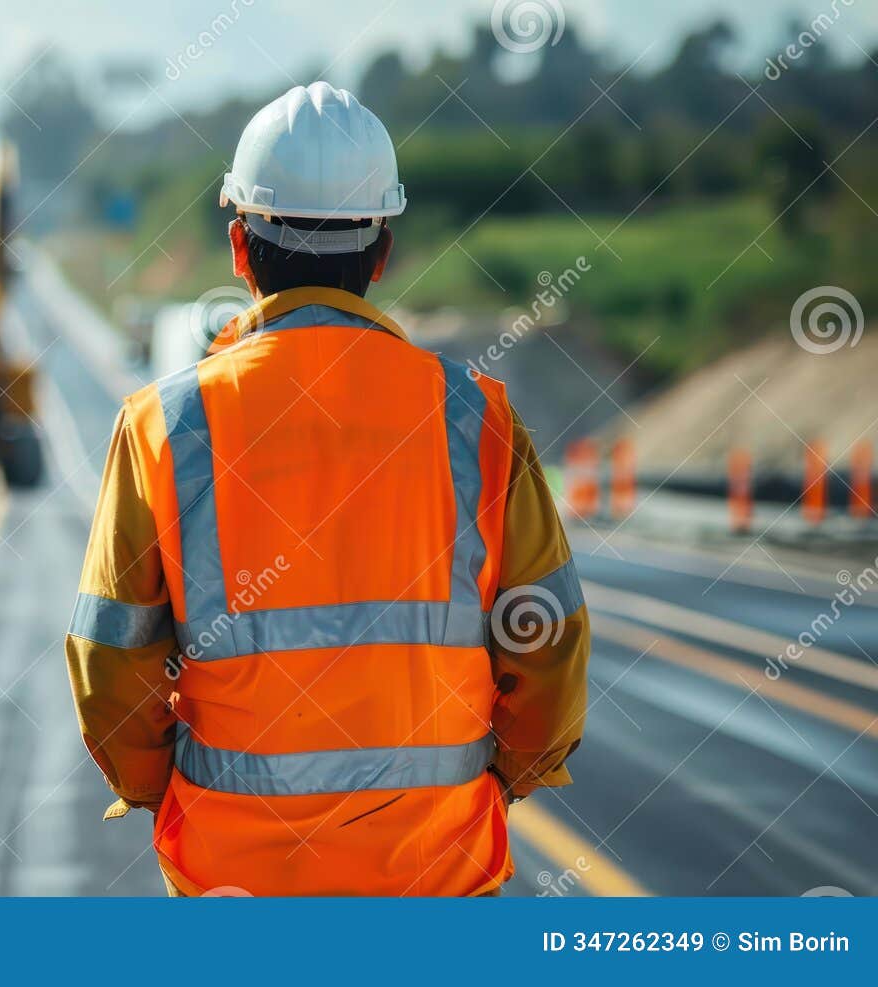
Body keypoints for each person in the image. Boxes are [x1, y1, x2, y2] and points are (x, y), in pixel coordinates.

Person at [64, 83, 589, 897]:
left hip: (234, 883)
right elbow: (547, 638)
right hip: (436, 883)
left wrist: (153, 785)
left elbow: (110, 660)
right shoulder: (473, 419)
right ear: (382, 254)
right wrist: (510, 774)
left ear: (239, 247)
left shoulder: (163, 424)